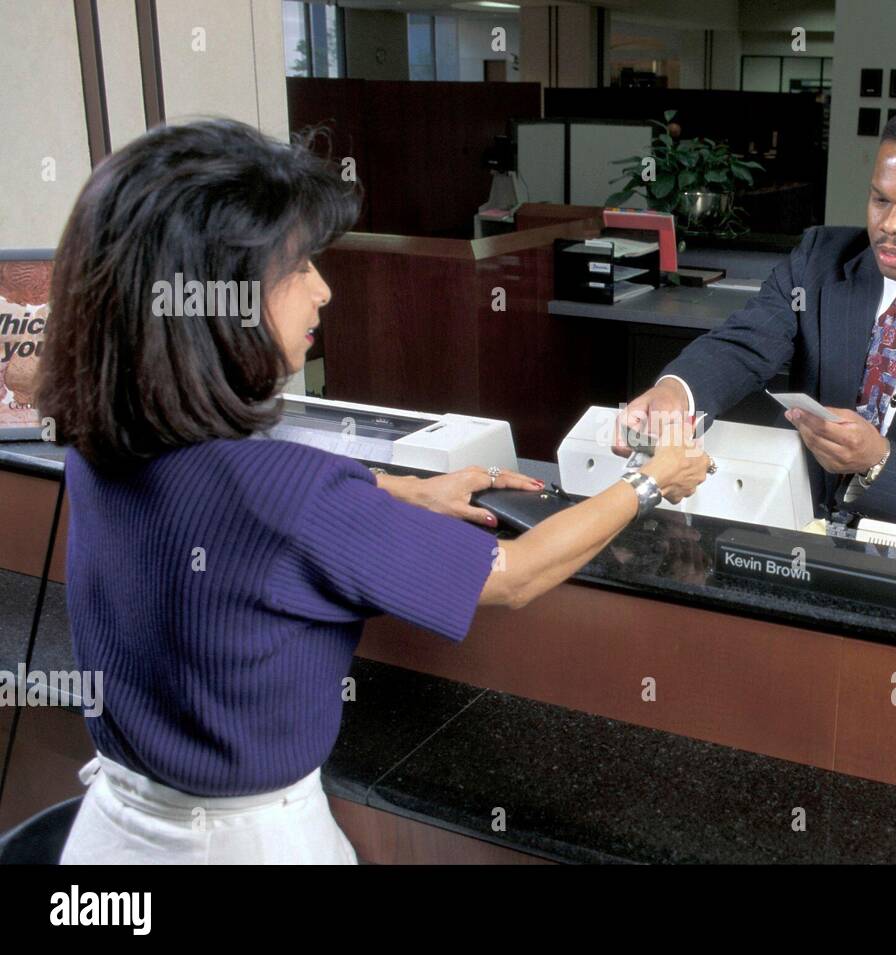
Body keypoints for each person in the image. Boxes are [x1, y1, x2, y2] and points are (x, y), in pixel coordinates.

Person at [37, 118, 711, 864]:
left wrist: (404, 492)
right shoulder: (290, 496)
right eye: (298, 268)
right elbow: (518, 576)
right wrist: (651, 480)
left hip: (111, 836)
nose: (324, 290)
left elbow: (245, 509)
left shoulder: (95, 440)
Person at [619, 105, 896, 540]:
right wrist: (676, 390)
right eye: (880, 199)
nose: (891, 225)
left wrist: (879, 461)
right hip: (783, 526)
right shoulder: (819, 259)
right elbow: (743, 345)